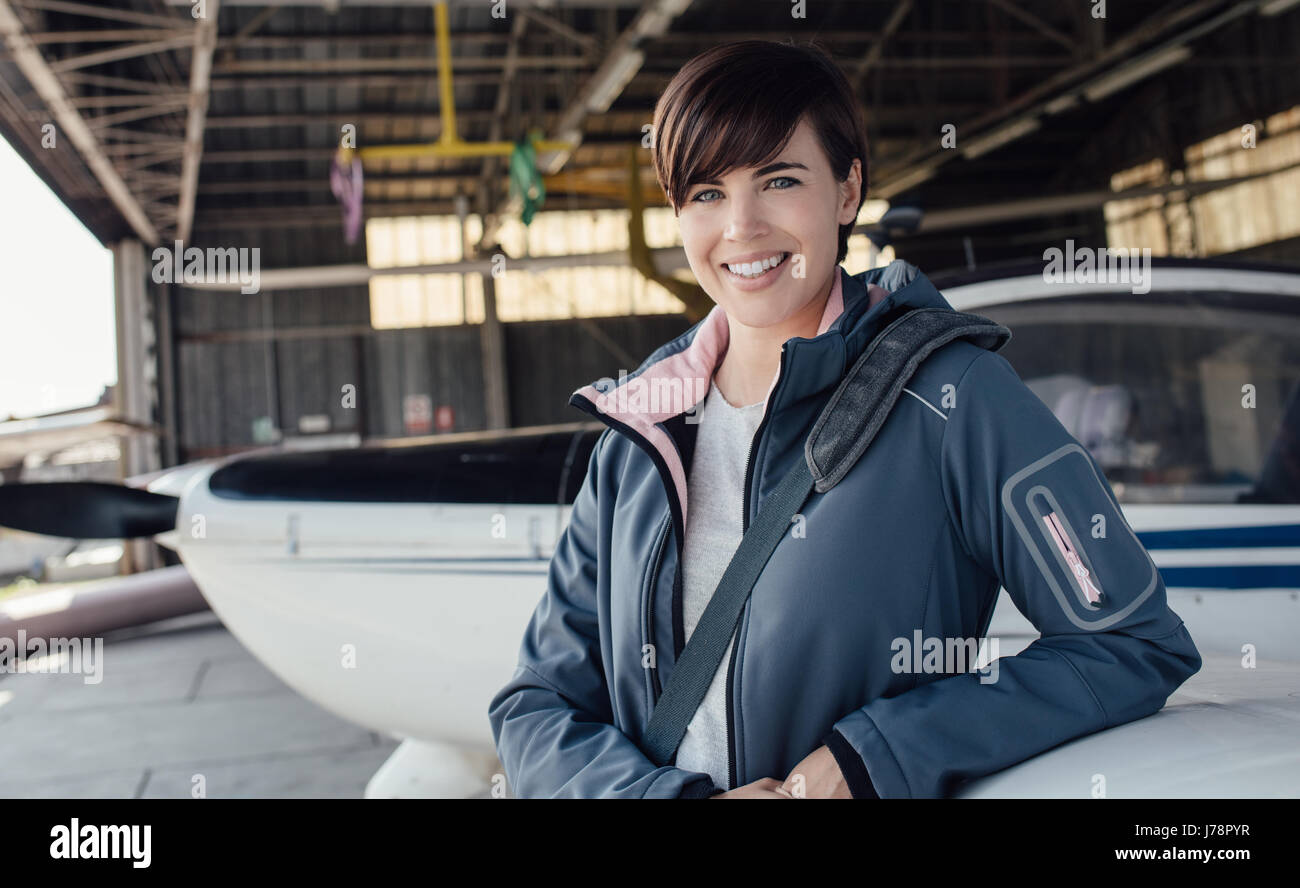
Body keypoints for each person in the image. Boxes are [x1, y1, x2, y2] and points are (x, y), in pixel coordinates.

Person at [488, 40, 1201, 799]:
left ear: (848, 189)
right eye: (706, 193)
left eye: (780, 179)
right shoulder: (640, 428)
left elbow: (1130, 643)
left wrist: (877, 756)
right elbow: (537, 703)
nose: (741, 227)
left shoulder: (952, 396)